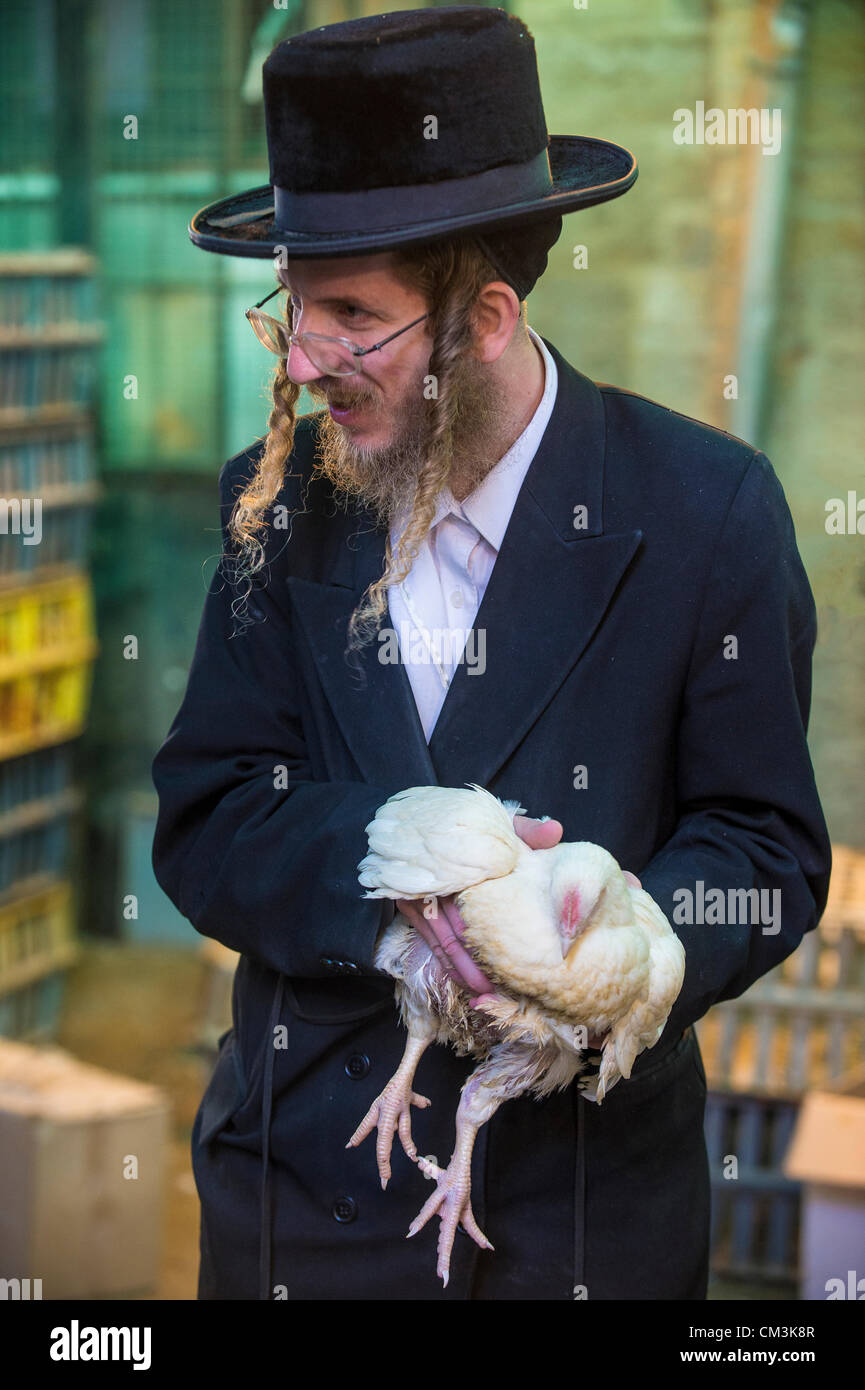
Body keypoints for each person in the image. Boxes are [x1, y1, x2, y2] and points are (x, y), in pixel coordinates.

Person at [151, 6, 832, 1300]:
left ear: (483, 320)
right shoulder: (277, 499)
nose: (300, 363)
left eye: (349, 317)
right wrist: (402, 895)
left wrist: (625, 948)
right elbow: (209, 815)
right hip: (300, 1199)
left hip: (571, 1219)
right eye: (287, 310)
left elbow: (761, 844)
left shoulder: (705, 511)